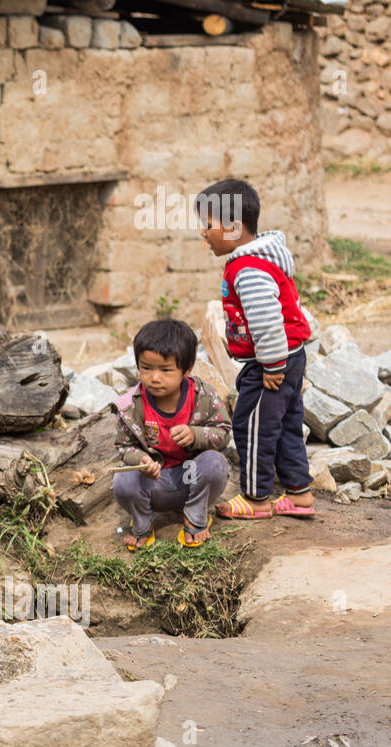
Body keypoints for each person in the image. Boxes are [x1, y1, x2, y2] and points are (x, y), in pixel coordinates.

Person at [195, 179, 316, 521]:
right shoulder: (259, 259)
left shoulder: (247, 269)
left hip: (272, 363)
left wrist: (272, 365)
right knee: (287, 424)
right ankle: (299, 493)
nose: (202, 233)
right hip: (289, 356)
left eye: (208, 225)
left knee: (252, 426)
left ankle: (257, 497)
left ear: (233, 227)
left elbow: (266, 319)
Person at [111, 318, 232, 549]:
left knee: (215, 463)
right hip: (154, 486)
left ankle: (195, 517)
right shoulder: (131, 404)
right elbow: (124, 446)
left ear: (186, 369)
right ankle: (143, 523)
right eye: (146, 368)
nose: (155, 377)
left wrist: (196, 434)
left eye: (166, 370)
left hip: (192, 480)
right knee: (122, 479)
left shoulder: (203, 395)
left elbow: (224, 432)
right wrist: (142, 461)